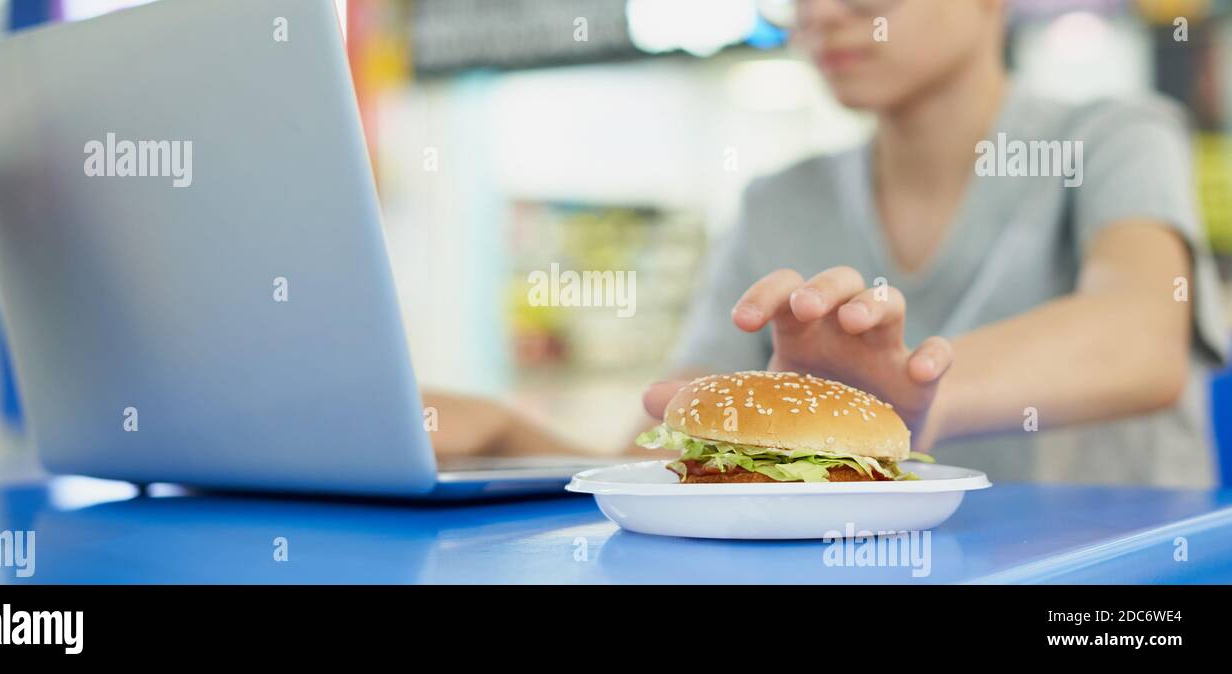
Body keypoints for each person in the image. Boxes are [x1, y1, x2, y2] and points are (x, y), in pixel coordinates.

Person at [431, 0, 1229, 487]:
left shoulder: (1115, 136)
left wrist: (909, 396)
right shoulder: (779, 202)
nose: (819, 15)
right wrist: (505, 437)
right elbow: (674, 456)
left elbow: (1142, 332)